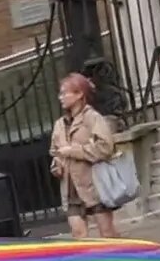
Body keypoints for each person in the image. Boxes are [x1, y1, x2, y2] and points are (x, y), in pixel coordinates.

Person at [49, 73, 120, 238]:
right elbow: (55, 151)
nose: (60, 97)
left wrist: (73, 151)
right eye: (60, 93)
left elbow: (105, 147)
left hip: (94, 185)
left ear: (79, 94)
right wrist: (56, 165)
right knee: (78, 235)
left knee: (107, 234)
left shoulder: (92, 118)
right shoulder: (59, 124)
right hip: (70, 188)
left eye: (64, 93)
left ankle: (124, 253)